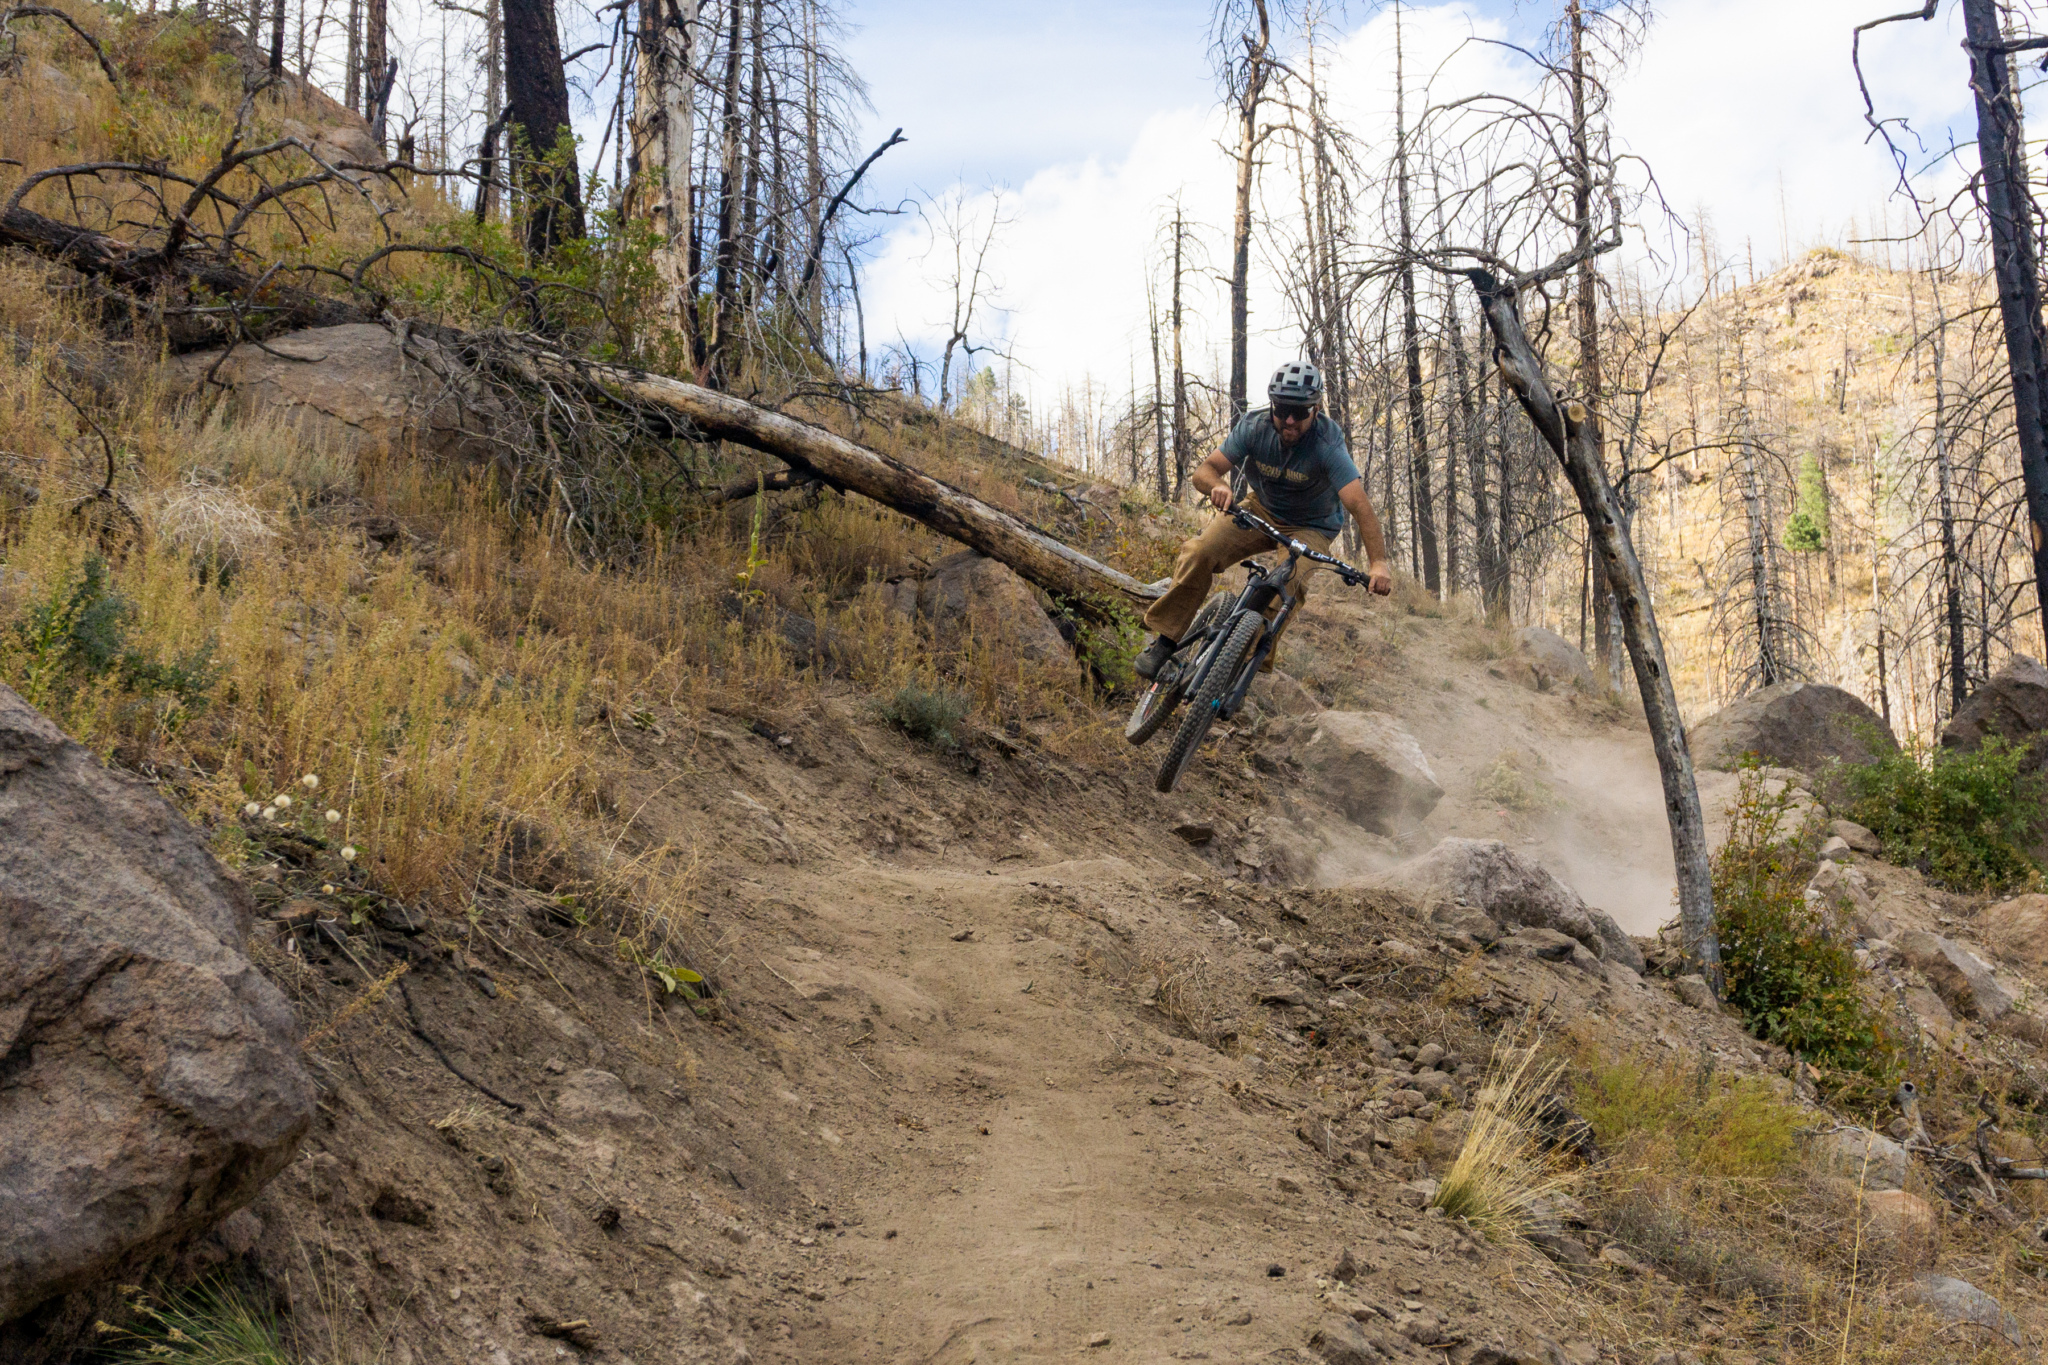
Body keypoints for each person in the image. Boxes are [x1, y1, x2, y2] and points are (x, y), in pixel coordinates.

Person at [1134, 360, 1394, 680]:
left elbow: (1360, 506)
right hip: (1260, 508)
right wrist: (1218, 486)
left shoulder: (1328, 444)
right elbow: (1204, 471)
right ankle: (1165, 639)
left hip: (1311, 525)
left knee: (1288, 584)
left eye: (1299, 412)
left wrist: (1378, 562)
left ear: (1315, 410)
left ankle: (1240, 669)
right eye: (1281, 408)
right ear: (1271, 403)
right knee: (1199, 551)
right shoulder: (1254, 426)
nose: (1288, 420)